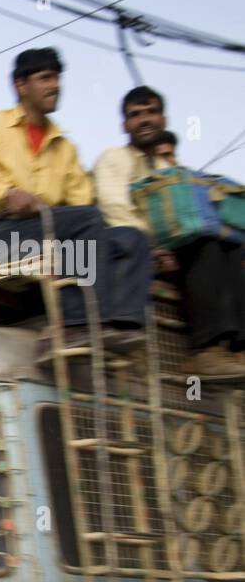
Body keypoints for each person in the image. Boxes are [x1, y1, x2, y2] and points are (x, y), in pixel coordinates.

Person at [0, 48, 154, 354]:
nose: (55, 86)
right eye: (45, 78)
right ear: (20, 86)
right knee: (86, 221)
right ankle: (72, 327)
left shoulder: (66, 148)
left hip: (47, 236)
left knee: (131, 238)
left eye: (57, 78)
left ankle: (122, 326)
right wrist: (4, 193)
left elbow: (82, 209)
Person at [93, 87, 245, 377]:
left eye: (150, 112)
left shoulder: (170, 168)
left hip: (171, 248)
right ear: (125, 125)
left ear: (163, 119)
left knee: (230, 246)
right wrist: (152, 246)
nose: (144, 120)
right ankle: (205, 350)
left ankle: (237, 348)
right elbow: (116, 209)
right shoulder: (114, 158)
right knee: (205, 247)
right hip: (129, 248)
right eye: (135, 115)